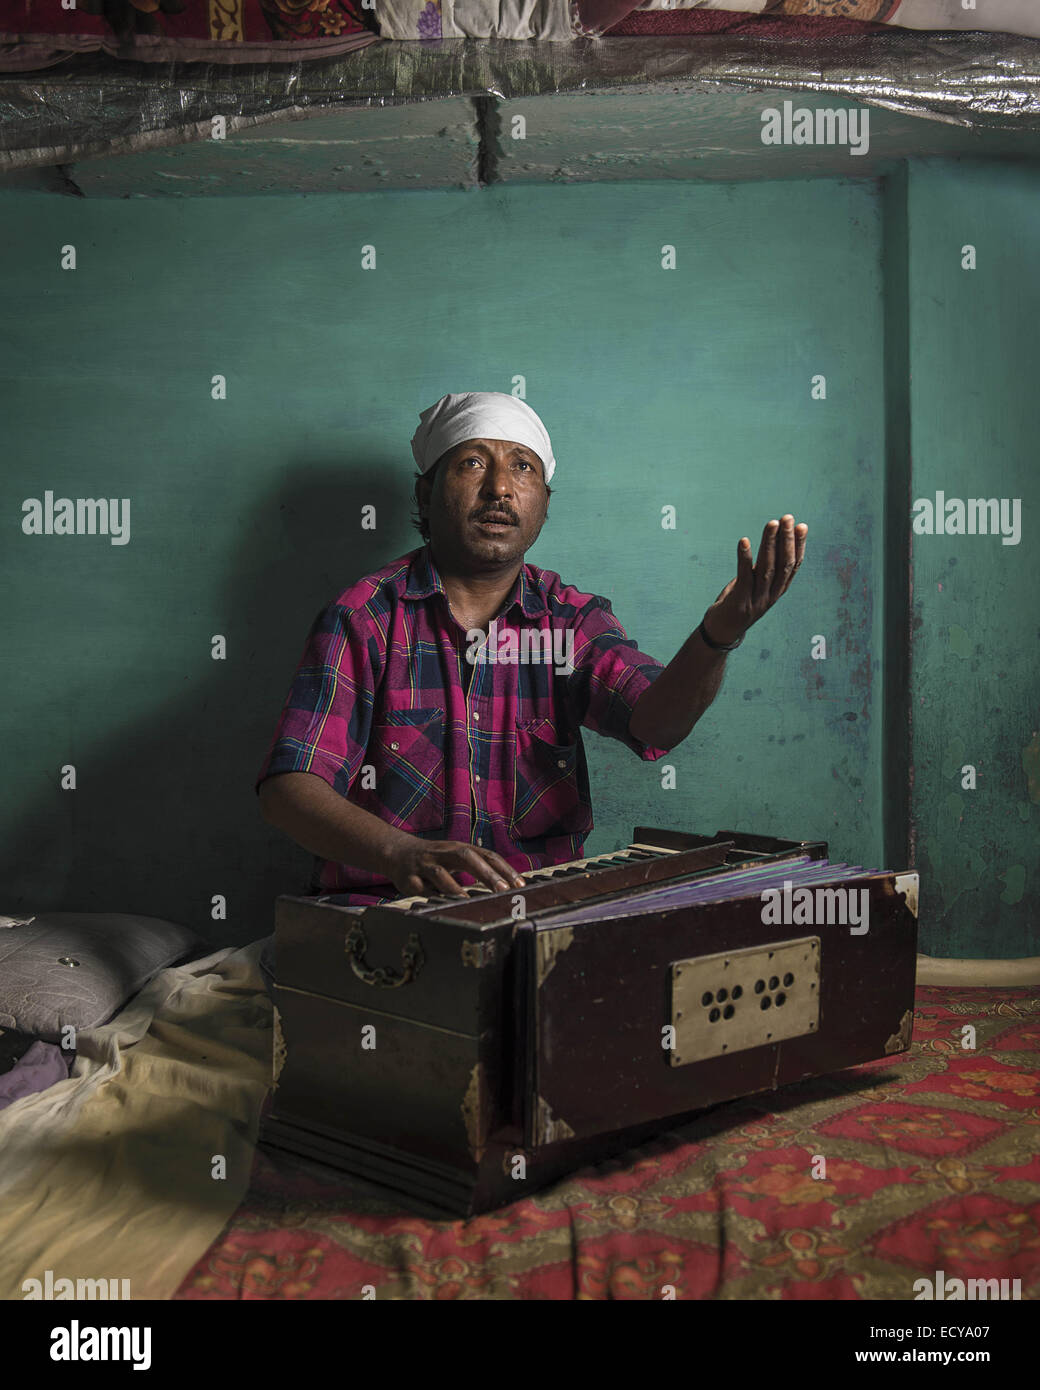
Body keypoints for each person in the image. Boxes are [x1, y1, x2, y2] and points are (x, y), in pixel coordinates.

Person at [255, 392, 807, 990]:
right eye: (472, 462)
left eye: (523, 467)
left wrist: (716, 637)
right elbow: (290, 786)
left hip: (538, 925)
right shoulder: (363, 617)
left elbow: (656, 724)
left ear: (544, 503)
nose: (499, 487)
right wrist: (401, 854)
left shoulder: (570, 620)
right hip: (386, 923)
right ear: (424, 493)